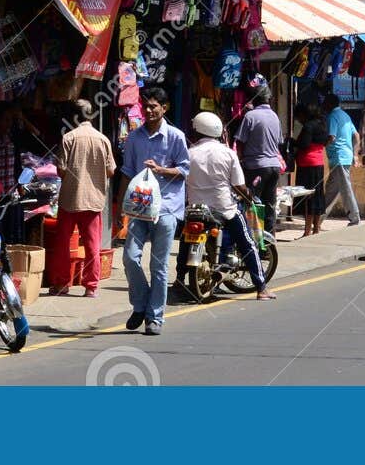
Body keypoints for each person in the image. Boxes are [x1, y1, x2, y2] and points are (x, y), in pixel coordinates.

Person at [182, 111, 274, 300]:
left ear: (198, 131)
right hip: (224, 209)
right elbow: (239, 186)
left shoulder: (188, 153)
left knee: (185, 241)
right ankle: (261, 288)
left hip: (194, 210)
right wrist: (249, 198)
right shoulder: (227, 153)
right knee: (248, 243)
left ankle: (178, 279)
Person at [120, 86, 189, 336]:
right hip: (138, 208)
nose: (149, 110)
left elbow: (185, 170)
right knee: (129, 257)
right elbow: (126, 173)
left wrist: (161, 170)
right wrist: (120, 206)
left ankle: (154, 316)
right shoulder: (134, 138)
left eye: (154, 106)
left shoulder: (176, 137)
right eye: (146, 106)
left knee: (159, 265)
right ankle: (140, 304)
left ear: (164, 108)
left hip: (167, 208)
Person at [49, 100, 116, 298]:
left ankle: (61, 284)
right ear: (91, 115)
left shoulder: (68, 138)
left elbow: (60, 170)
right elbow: (111, 171)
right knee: (92, 244)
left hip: (70, 199)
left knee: (63, 243)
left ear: (74, 117)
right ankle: (91, 286)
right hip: (94, 200)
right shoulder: (102, 139)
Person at [235, 79, 284, 233]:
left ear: (253, 100)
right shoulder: (275, 116)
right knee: (269, 204)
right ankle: (269, 240)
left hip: (256, 167)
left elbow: (240, 142)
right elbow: (279, 142)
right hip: (274, 167)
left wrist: (240, 160)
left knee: (253, 203)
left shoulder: (251, 116)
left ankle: (254, 239)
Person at [291, 96, 329, 236]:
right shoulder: (322, 124)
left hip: (307, 164)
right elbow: (325, 142)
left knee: (307, 197)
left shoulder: (308, 126)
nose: (298, 119)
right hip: (318, 163)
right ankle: (316, 229)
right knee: (318, 195)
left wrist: (293, 142)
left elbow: (304, 144)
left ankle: (307, 231)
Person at [322, 93, 361, 226]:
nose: (323, 106)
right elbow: (356, 136)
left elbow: (331, 137)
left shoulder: (332, 116)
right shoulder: (345, 116)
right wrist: (355, 154)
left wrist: (321, 145)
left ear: (329, 104)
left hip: (339, 157)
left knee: (345, 188)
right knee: (332, 190)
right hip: (344, 157)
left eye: (325, 103)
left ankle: (355, 218)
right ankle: (320, 217)